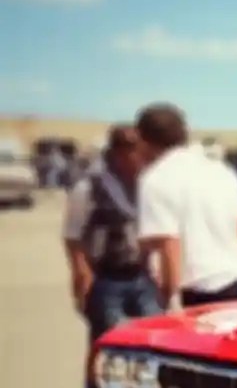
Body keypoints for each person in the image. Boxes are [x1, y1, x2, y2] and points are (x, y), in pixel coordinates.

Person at [134, 103, 237, 309]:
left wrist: (170, 300)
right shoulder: (220, 171)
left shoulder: (156, 179)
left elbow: (170, 245)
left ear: (143, 139)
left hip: (199, 295)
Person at [62, 125, 162, 341]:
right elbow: (73, 236)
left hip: (143, 277)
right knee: (110, 342)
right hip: (106, 279)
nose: (142, 156)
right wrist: (82, 275)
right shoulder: (89, 188)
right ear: (119, 152)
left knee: (154, 339)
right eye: (136, 149)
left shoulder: (147, 185)